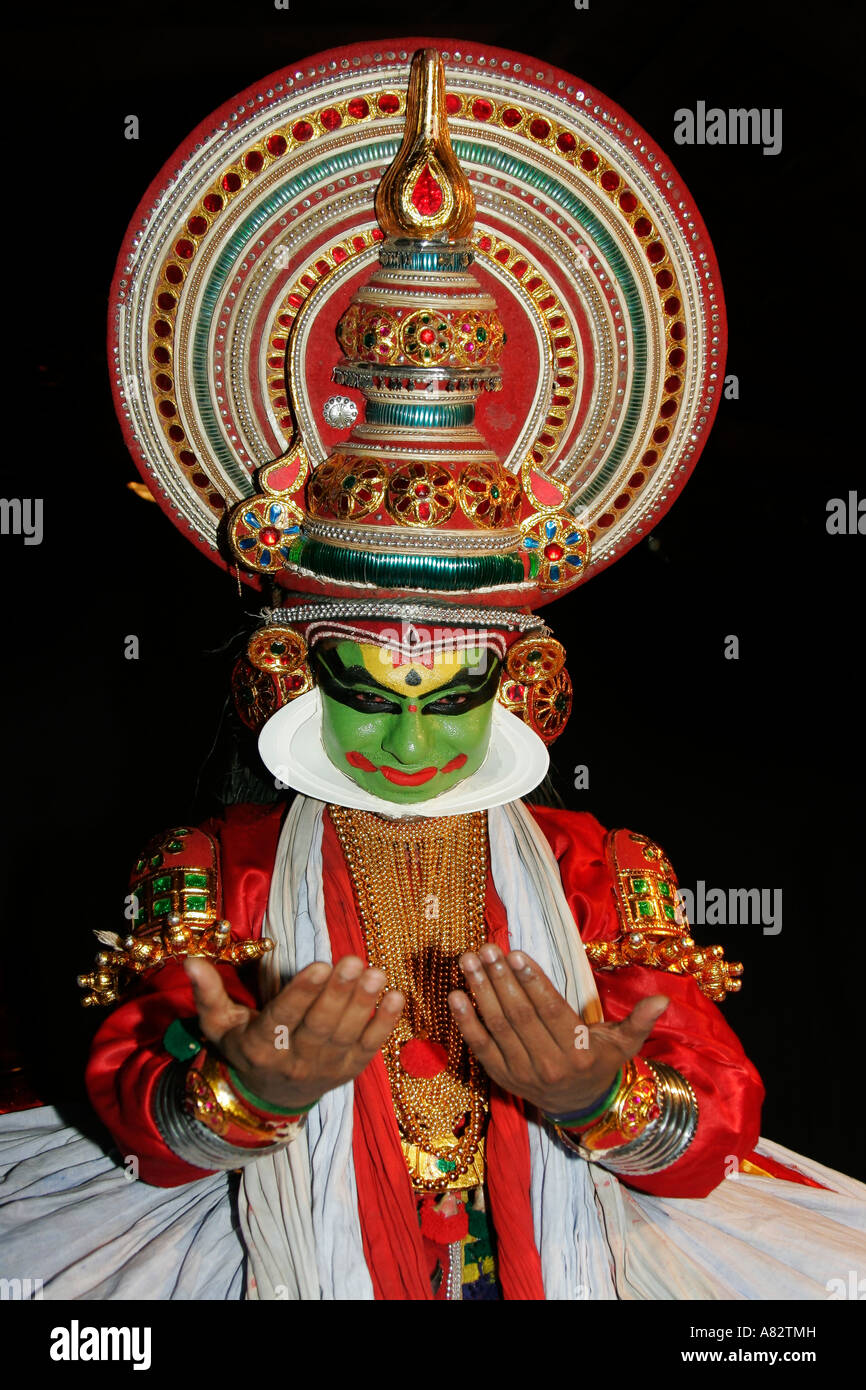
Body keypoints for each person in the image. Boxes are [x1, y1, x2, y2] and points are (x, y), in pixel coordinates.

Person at [3, 44, 864, 1302]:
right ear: (289, 674)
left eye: (452, 699)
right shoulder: (214, 868)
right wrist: (251, 1088)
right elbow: (141, 1117)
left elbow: (708, 1120)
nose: (409, 748)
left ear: (525, 691)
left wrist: (592, 1092)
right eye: (369, 695)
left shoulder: (594, 871)